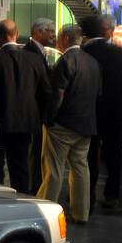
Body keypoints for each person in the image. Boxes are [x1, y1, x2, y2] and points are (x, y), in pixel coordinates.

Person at [39, 23, 101, 223]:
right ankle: (81, 213)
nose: (56, 40)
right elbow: (97, 94)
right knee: (81, 168)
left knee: (54, 169)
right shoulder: (93, 62)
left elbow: (59, 94)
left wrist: (50, 119)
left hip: (64, 125)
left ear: (65, 39)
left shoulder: (66, 61)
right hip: (87, 124)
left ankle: (45, 212)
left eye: (58, 36)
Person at [0, 20, 47, 193]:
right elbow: (45, 92)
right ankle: (20, 199)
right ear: (16, 34)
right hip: (24, 125)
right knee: (20, 166)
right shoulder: (35, 60)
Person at [81, 14, 122, 212]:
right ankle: (111, 197)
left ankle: (88, 196)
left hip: (91, 114)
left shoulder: (85, 53)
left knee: (88, 158)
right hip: (115, 115)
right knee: (114, 160)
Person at [24, 17, 56, 189]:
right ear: (38, 32)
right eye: (50, 30)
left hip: (37, 112)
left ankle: (34, 184)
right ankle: (32, 186)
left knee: (37, 153)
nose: (53, 34)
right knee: (34, 153)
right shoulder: (31, 52)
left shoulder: (41, 51)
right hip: (34, 112)